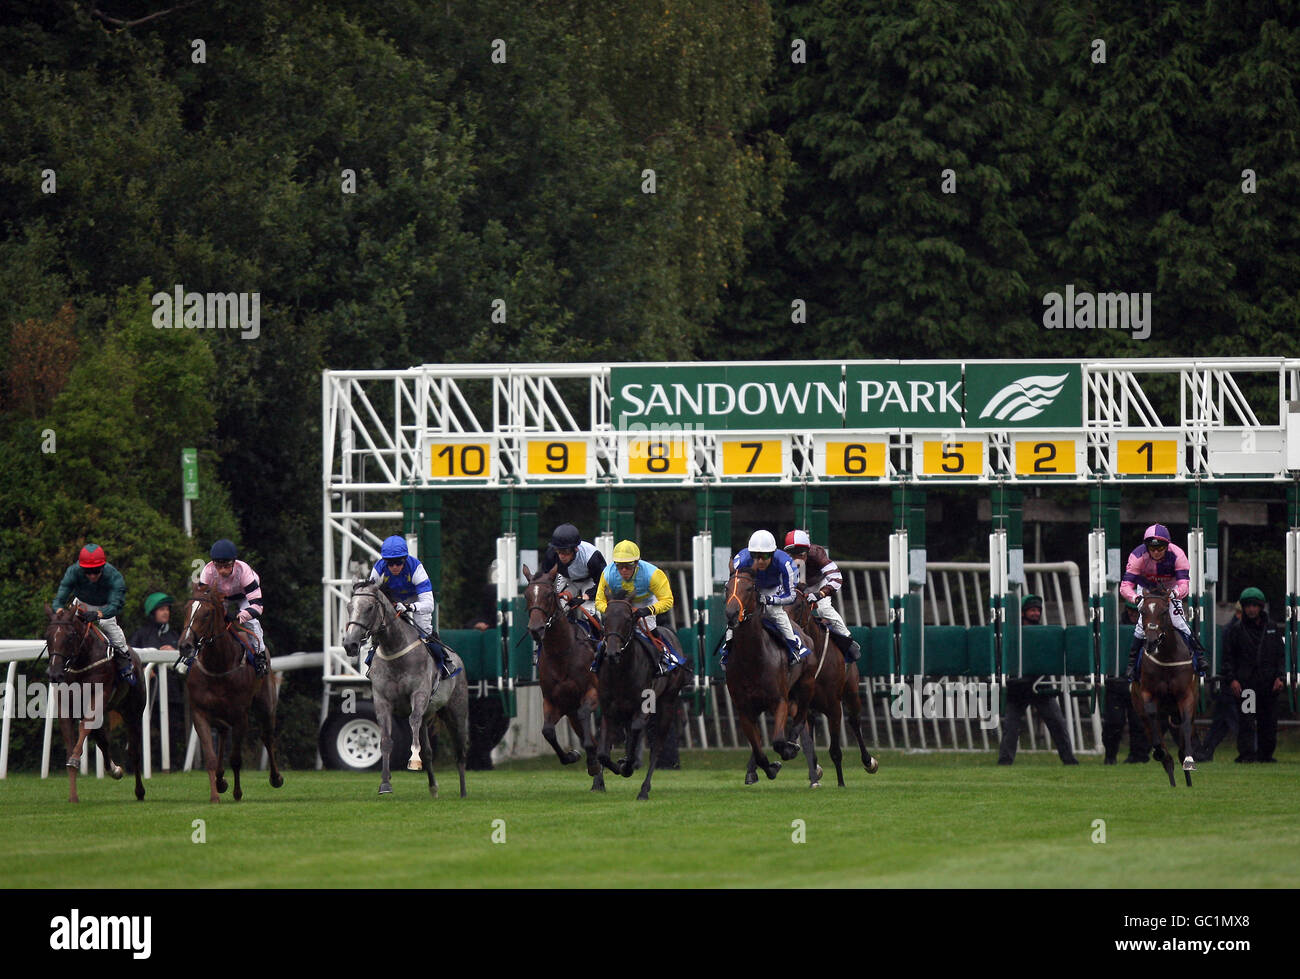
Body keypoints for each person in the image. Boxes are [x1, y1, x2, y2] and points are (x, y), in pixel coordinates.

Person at [996, 594, 1079, 766]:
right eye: (1032, 610)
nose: (1035, 614)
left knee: (1057, 723)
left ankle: (1068, 759)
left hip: (1041, 684)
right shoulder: (1012, 633)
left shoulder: (1042, 634)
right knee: (1011, 727)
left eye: (1037, 610)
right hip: (1018, 687)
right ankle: (1005, 760)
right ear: (1023, 613)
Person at [1119, 524, 1207, 681]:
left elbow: (1184, 585)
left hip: (1169, 588)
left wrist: (1175, 594)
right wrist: (1136, 599)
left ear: (1167, 545)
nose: (1156, 552)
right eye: (1152, 548)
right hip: (1146, 589)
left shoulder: (1178, 554)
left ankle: (1199, 657)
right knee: (1141, 626)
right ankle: (1132, 665)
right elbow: (1125, 587)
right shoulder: (1137, 556)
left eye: (1160, 547)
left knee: (1179, 621)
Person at [367, 535, 459, 679]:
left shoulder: (416, 568)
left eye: (398, 562)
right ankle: (372, 659)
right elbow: (370, 596)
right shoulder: (378, 569)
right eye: (390, 563)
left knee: (424, 629)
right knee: (378, 626)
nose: (394, 567)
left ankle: (444, 663)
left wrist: (410, 607)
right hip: (392, 599)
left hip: (415, 599)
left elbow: (429, 604)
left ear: (405, 559)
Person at [593, 539, 681, 676]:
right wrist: (613, 612)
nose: (623, 570)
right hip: (619, 604)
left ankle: (667, 658)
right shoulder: (608, 574)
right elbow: (599, 601)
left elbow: (668, 600)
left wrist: (646, 611)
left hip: (646, 602)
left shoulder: (653, 575)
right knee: (610, 631)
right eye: (619, 565)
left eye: (628, 566)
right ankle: (596, 662)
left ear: (636, 563)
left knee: (648, 629)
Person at [725, 530, 810, 668]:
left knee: (775, 613)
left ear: (772, 553)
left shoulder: (786, 564)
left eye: (764, 556)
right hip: (749, 587)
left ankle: (794, 646)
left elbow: (791, 595)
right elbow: (733, 584)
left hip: (773, 588)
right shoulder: (740, 560)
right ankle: (727, 648)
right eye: (755, 556)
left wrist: (771, 600)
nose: (759, 561)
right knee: (735, 613)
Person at [52, 543, 135, 685]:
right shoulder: (73, 571)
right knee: (63, 629)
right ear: (81, 568)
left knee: (109, 627)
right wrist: (59, 611)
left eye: (96, 571)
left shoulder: (114, 576)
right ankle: (58, 663)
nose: (92, 575)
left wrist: (99, 614)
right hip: (81, 603)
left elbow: (116, 605)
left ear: (102, 567)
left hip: (105, 606)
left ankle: (124, 661)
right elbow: (61, 597)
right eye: (88, 571)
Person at [188, 538, 269, 677]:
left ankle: (260, 656)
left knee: (251, 623)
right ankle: (192, 653)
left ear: (234, 562)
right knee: (205, 618)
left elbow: (257, 607)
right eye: (218, 566)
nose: (222, 571)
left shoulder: (244, 572)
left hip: (244, 596)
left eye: (226, 566)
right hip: (222, 596)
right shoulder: (207, 572)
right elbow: (203, 601)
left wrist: (238, 615)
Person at [1222, 587, 1285, 763]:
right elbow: (1228, 658)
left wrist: (1280, 676)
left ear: (1261, 607)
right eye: (1248, 606)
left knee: (1269, 722)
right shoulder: (1235, 630)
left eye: (1255, 606)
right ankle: (1247, 754)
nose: (1251, 609)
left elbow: (1281, 655)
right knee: (1246, 722)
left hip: (1269, 684)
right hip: (1246, 685)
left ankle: (1266, 755)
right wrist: (1232, 679)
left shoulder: (1272, 627)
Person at [783, 529, 860, 663]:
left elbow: (836, 577)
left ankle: (848, 640)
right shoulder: (782, 559)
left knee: (823, 609)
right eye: (792, 554)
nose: (797, 559)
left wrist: (821, 594)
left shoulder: (817, 553)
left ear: (808, 551)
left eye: (801, 554)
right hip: (797, 584)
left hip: (819, 583)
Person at [537, 523, 606, 646]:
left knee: (589, 612)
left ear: (576, 549)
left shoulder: (592, 557)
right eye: (559, 551)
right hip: (567, 579)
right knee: (556, 609)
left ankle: (600, 644)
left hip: (590, 581)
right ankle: (543, 646)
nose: (562, 555)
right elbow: (545, 578)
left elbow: (603, 584)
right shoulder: (551, 554)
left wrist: (583, 598)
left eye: (566, 551)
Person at [1101, 599, 1151, 764]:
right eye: (1130, 612)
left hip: (1140, 682)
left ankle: (1138, 756)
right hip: (1116, 682)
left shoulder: (1150, 629)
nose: (1132, 616)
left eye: (1135, 613)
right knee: (1114, 722)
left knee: (1139, 722)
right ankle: (1110, 756)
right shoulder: (1114, 629)